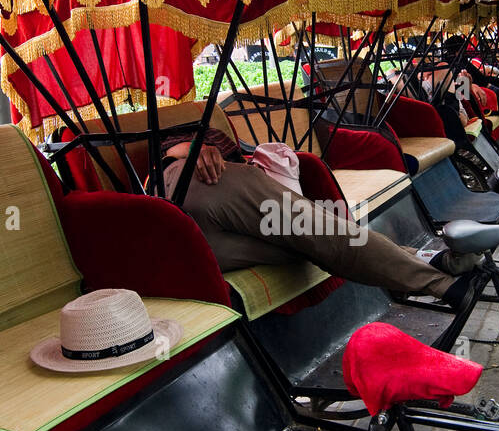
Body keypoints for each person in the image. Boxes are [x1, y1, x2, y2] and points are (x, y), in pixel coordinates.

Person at [159, 130, 477, 308]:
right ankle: (444, 283)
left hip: (189, 243)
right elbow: (171, 148)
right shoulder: (198, 135)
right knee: (328, 235)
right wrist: (192, 146)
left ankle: (436, 263)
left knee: (315, 244)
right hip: (196, 186)